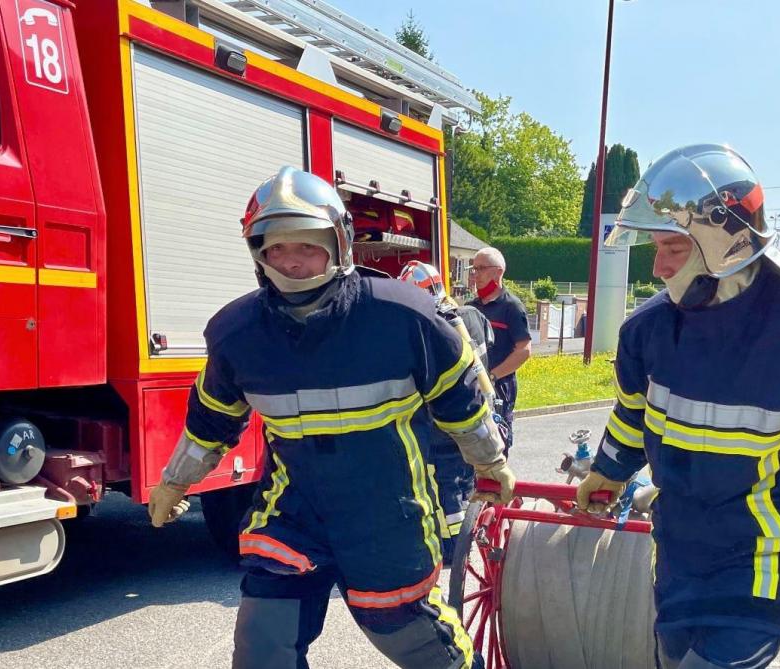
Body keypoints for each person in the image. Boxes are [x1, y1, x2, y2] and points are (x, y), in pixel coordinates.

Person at [147, 166, 516, 669]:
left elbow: (460, 399)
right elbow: (211, 420)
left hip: (388, 509)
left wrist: (490, 464)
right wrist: (175, 482)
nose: (291, 262)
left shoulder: (404, 316)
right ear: (258, 253)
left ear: (339, 245)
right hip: (292, 509)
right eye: (277, 248)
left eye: (306, 247)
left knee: (413, 640)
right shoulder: (237, 333)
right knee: (262, 646)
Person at [575, 144, 780, 669]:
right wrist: (609, 471)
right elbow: (633, 414)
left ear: (722, 245)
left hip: (759, 570)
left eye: (672, 250)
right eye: (653, 250)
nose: (657, 269)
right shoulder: (648, 332)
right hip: (677, 558)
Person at [398, 260, 495, 562]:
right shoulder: (472, 315)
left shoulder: (428, 325)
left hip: (443, 422)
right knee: (466, 478)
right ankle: (469, 533)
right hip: (479, 411)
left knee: (444, 485)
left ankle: (453, 549)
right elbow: (488, 346)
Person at [467, 247, 531, 452]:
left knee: (496, 442)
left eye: (481, 268)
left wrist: (491, 377)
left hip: (499, 386)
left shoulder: (511, 306)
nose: (475, 274)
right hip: (471, 386)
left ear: (498, 272)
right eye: (473, 268)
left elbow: (524, 350)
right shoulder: (470, 308)